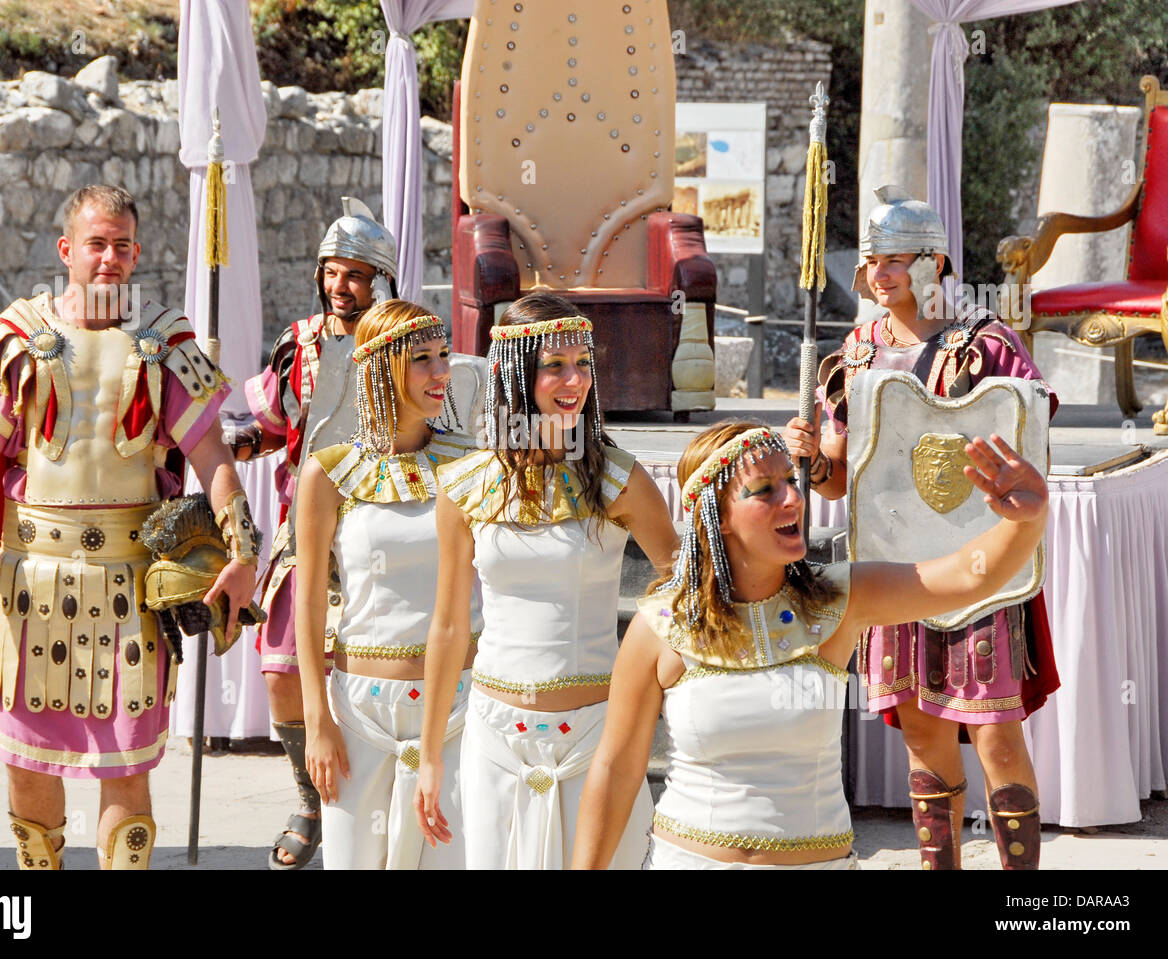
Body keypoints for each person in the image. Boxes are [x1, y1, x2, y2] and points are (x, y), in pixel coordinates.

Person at [0, 184, 258, 869]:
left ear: (136, 254)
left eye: (123, 246)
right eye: (97, 244)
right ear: (67, 250)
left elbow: (212, 455)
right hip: (31, 584)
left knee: (126, 765)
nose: (111, 259)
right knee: (27, 762)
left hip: (132, 587)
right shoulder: (19, 339)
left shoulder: (166, 342)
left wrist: (243, 549)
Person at [572, 420, 1049, 870]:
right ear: (717, 519)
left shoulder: (840, 600)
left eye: (791, 481)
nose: (792, 500)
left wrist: (1024, 522)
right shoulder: (661, 625)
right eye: (764, 490)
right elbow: (615, 770)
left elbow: (968, 575)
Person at [782, 185, 1059, 869]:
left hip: (979, 565)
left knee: (995, 738)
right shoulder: (857, 351)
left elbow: (1032, 427)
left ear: (934, 263)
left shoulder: (985, 342)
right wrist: (813, 459)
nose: (880, 274)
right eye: (872, 261)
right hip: (896, 569)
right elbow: (843, 480)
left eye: (895, 259)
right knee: (922, 734)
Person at [414, 291, 681, 869]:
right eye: (553, 366)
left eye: (582, 363)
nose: (574, 380)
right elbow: (449, 625)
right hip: (491, 737)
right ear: (514, 374)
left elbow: (682, 595)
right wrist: (431, 754)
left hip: (598, 740)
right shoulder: (463, 486)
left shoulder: (619, 478)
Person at [229, 197, 399, 869]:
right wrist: (229, 446)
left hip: (382, 528)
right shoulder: (297, 343)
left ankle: (368, 796)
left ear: (380, 280)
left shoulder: (401, 342)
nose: (341, 285)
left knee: (374, 673)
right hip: (303, 533)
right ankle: (308, 796)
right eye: (333, 271)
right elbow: (274, 426)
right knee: (280, 673)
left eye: (357, 274)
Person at [294, 299, 480, 869]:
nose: (440, 371)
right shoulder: (328, 472)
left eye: (443, 355)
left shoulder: (470, 465)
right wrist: (316, 722)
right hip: (356, 713)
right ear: (378, 367)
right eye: (421, 358)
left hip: (458, 708)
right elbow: (307, 602)